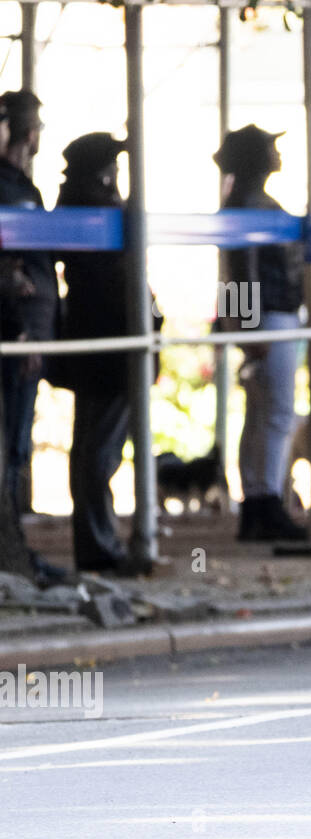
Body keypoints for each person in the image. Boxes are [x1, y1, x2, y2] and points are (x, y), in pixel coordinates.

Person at [43, 134, 157, 573]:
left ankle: (99, 545)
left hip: (104, 345)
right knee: (99, 453)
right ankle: (100, 548)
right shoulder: (97, 210)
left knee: (95, 450)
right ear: (104, 170)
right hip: (112, 345)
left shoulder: (81, 205)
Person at [213, 125, 307, 542]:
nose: (277, 152)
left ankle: (259, 499)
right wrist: (247, 329)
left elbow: (235, 274)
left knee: (264, 414)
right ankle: (265, 499)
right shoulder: (251, 204)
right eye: (270, 147)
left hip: (267, 318)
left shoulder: (246, 202)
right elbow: (240, 274)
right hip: (272, 317)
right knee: (276, 415)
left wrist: (240, 327)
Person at [0, 90, 54, 522]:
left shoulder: (23, 187)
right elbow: (241, 271)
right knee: (13, 432)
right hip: (17, 329)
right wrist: (247, 323)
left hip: (28, 326)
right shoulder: (12, 188)